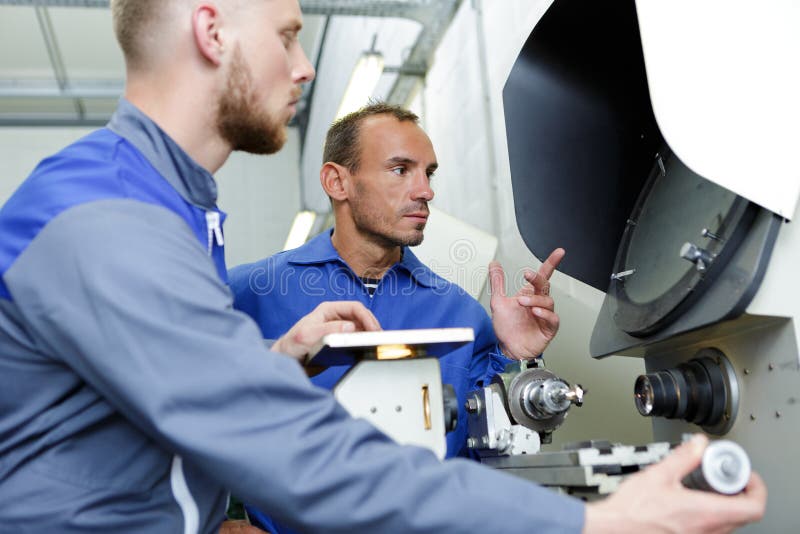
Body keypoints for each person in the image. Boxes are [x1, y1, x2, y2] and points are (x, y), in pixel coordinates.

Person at [0, 1, 765, 533]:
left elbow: (152, 406)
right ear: (211, 31)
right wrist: (594, 524)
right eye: (288, 36)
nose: (304, 67)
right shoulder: (111, 219)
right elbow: (291, 449)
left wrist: (276, 359)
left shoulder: (172, 208)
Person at [228, 102, 565, 531]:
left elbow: (490, 454)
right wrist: (214, 522)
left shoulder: (461, 313)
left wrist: (515, 357)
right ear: (337, 181)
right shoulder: (248, 293)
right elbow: (176, 409)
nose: (425, 191)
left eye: (429, 173)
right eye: (401, 170)